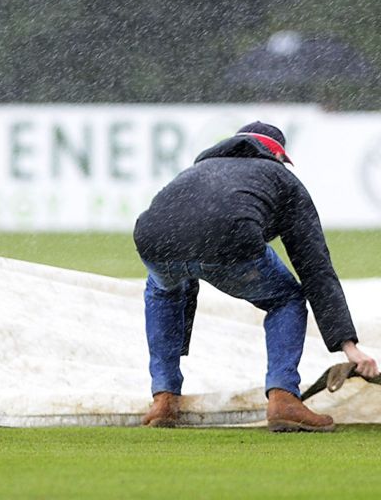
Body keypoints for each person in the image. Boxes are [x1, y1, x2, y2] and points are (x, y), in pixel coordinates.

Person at [133, 122, 379, 432]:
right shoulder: (282, 179)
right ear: (277, 156)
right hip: (228, 238)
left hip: (152, 240)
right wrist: (348, 345)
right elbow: (315, 266)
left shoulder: (195, 171)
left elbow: (181, 230)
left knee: (163, 289)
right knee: (286, 298)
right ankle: (283, 397)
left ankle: (164, 399)